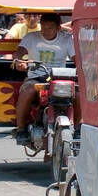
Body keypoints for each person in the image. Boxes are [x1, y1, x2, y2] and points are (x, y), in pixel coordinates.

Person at [12, 12, 76, 143]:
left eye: (50, 27)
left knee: (79, 95)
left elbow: (77, 59)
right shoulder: (31, 37)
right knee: (28, 91)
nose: (45, 31)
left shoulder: (67, 39)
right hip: (36, 76)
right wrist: (19, 61)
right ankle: (20, 128)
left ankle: (79, 128)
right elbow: (19, 52)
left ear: (59, 27)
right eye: (43, 27)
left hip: (59, 78)